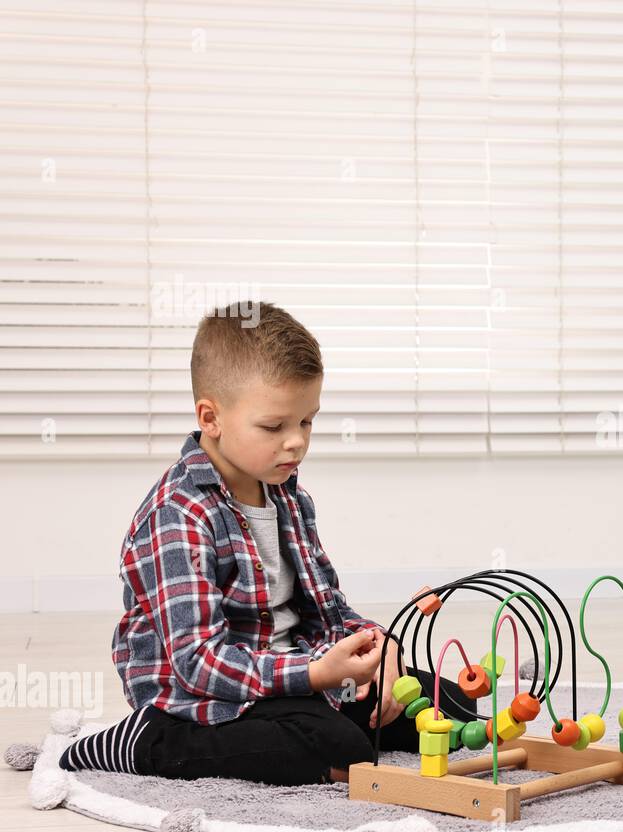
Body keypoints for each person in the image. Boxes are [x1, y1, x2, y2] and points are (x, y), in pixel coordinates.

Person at [59, 301, 473, 784]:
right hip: (205, 695)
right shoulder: (179, 515)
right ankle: (146, 741)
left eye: (307, 421)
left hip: (292, 668)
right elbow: (197, 662)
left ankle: (319, 710)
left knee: (451, 704)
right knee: (339, 751)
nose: (296, 442)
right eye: (275, 427)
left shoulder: (290, 498)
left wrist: (381, 649)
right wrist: (317, 675)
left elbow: (329, 610)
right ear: (211, 418)